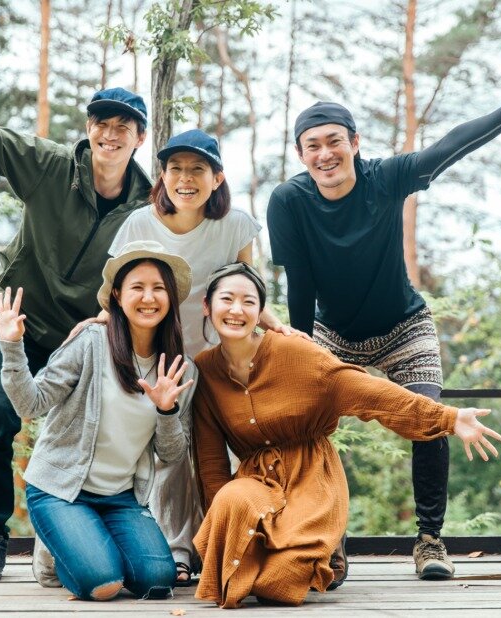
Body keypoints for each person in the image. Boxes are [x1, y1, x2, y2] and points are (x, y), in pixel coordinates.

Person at [266, 48, 501, 580]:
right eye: (312, 145)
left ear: (355, 143)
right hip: (331, 332)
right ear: (300, 154)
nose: (325, 154)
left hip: (403, 327)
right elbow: (301, 283)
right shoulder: (288, 201)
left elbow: (446, 148)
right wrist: (300, 352)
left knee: (428, 417)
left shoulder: (385, 178)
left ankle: (430, 541)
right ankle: (324, 542)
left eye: (335, 141)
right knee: (306, 424)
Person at [0, 0, 152, 582]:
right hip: (14, 317)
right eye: (101, 123)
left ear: (139, 137)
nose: (110, 133)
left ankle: (78, 539)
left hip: (81, 333)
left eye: (123, 126)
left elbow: (170, 263)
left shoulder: (146, 207)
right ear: (89, 129)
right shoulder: (51, 167)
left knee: (93, 428)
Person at [191, 262, 501, 608]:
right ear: (207, 305)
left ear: (260, 311)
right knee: (231, 501)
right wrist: (221, 533)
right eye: (227, 299)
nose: (236, 310)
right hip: (256, 483)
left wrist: (449, 417)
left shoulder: (295, 352)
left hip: (311, 477)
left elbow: (367, 392)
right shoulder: (205, 369)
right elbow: (210, 462)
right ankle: (289, 555)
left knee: (278, 584)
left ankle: (322, 550)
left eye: (248, 302)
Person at [71, 129, 299, 584]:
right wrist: (97, 321)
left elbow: (245, 289)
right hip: (158, 358)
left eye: (197, 169)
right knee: (167, 455)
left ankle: (225, 546)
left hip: (215, 359)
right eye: (175, 169)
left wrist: (277, 326)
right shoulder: (139, 223)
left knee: (219, 456)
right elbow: (120, 288)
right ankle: (172, 550)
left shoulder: (235, 224)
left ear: (218, 178)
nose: (185, 178)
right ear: (163, 176)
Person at [0, 241, 198, 601]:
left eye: (159, 288)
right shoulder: (91, 342)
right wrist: (11, 347)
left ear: (171, 298)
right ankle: (59, 552)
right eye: (137, 287)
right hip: (60, 491)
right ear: (117, 295)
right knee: (103, 584)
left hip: (122, 499)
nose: (149, 298)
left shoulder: (181, 369)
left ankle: (85, 542)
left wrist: (167, 411)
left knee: (158, 581)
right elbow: (30, 403)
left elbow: (171, 454)